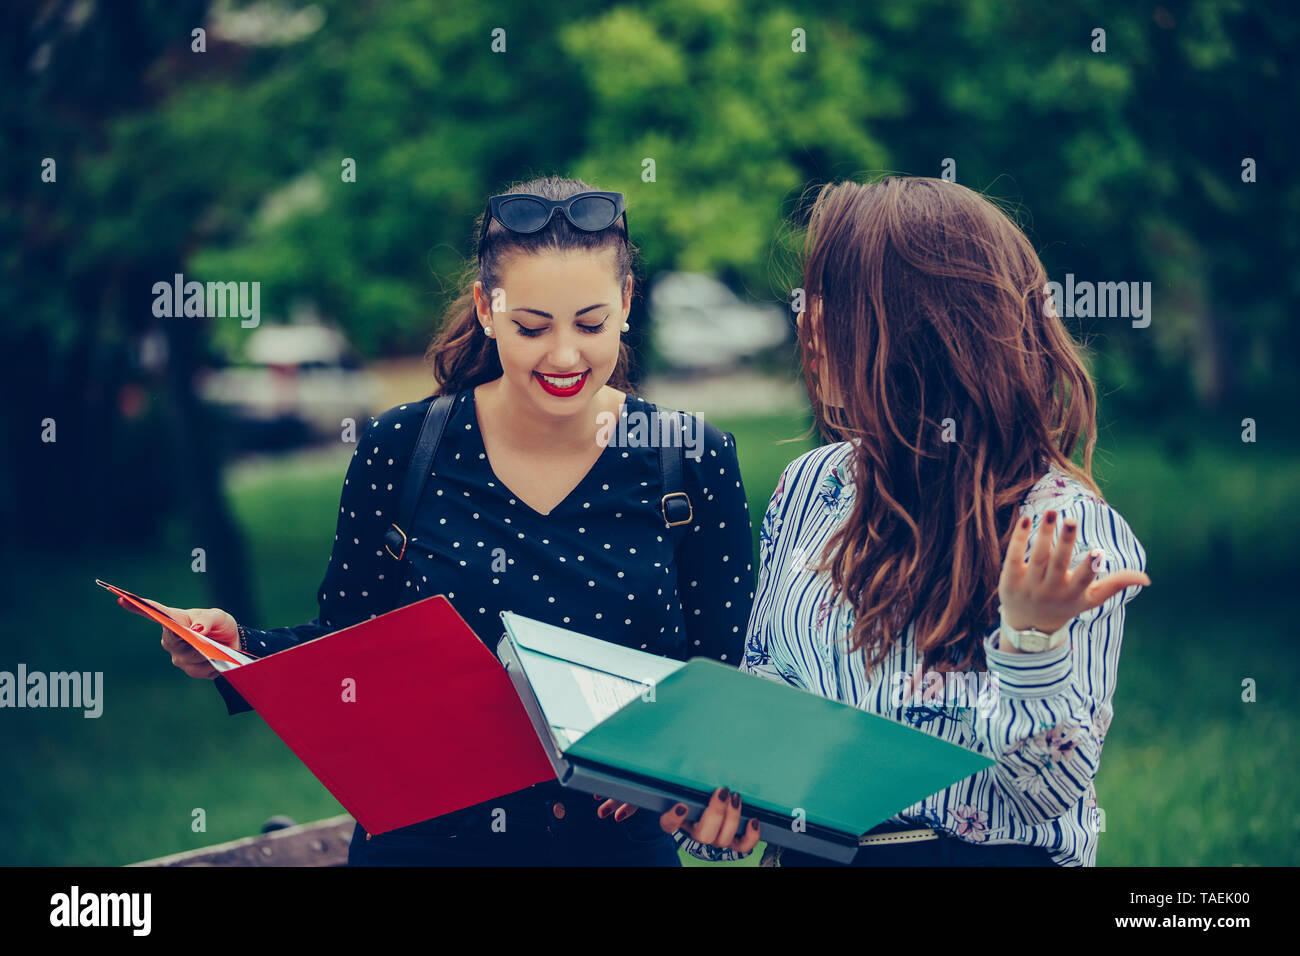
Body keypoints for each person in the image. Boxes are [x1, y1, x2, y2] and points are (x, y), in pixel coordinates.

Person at [123, 176, 756, 866]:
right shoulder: (403, 447)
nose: (566, 355)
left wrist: (673, 773)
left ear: (627, 303)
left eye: (591, 323)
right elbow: (347, 646)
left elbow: (724, 686)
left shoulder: (691, 461)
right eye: (532, 326)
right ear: (487, 308)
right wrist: (237, 649)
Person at [661, 176, 1151, 866]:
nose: (807, 325)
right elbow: (769, 693)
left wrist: (1034, 642)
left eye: (831, 305)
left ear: (915, 333)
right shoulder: (813, 486)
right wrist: (711, 803)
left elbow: (1048, 792)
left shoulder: (1059, 528)